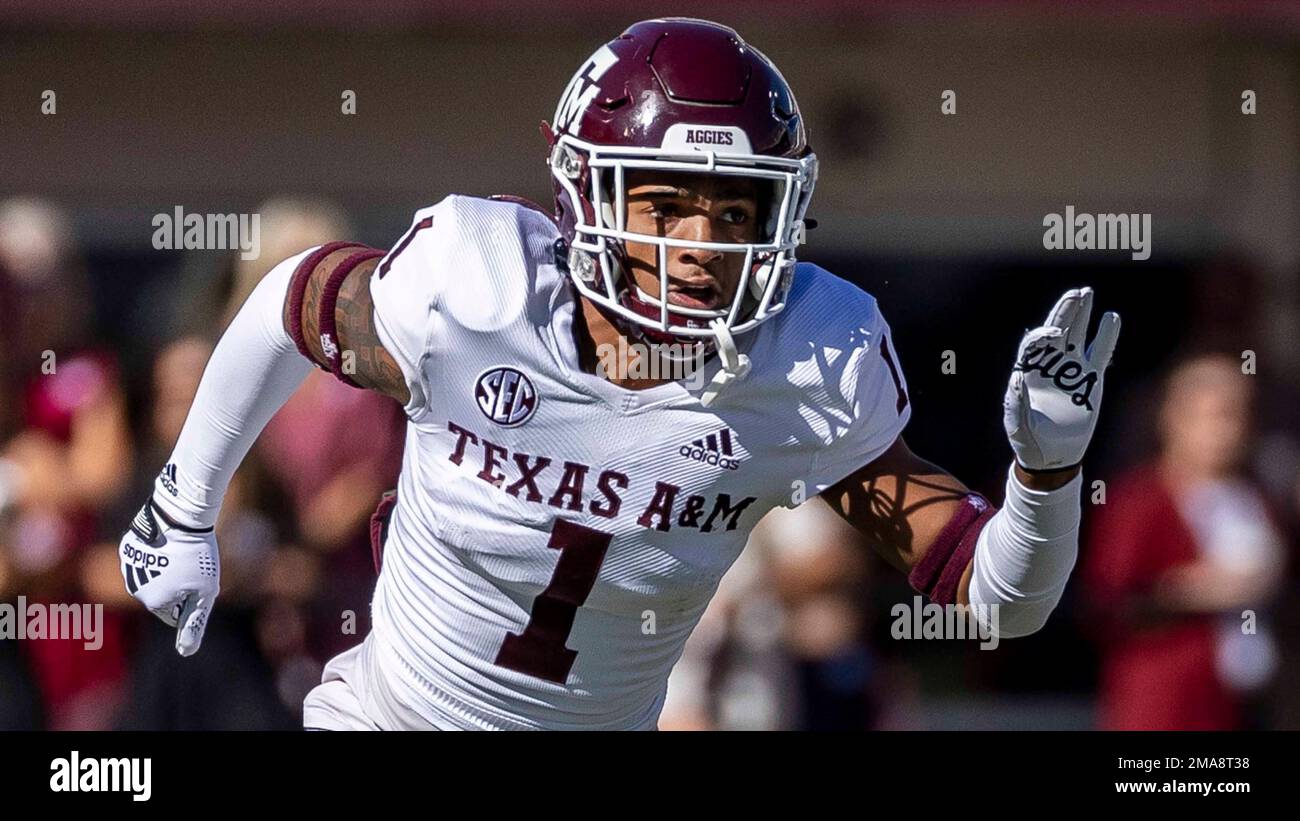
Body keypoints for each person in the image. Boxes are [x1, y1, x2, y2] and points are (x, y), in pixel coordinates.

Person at [117, 18, 1120, 730]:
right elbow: (293, 297)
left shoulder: (804, 366)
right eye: (669, 206)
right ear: (589, 195)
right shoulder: (478, 291)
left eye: (735, 214)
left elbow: (1001, 601)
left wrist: (1046, 474)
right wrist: (183, 504)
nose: (703, 246)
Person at [1083, 353, 1285, 729]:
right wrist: (1195, 590)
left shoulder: (1257, 498)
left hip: (1240, 707)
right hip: (1167, 707)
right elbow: (1108, 602)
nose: (1229, 431)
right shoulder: (1141, 501)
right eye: (1216, 415)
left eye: (1239, 415)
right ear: (1174, 418)